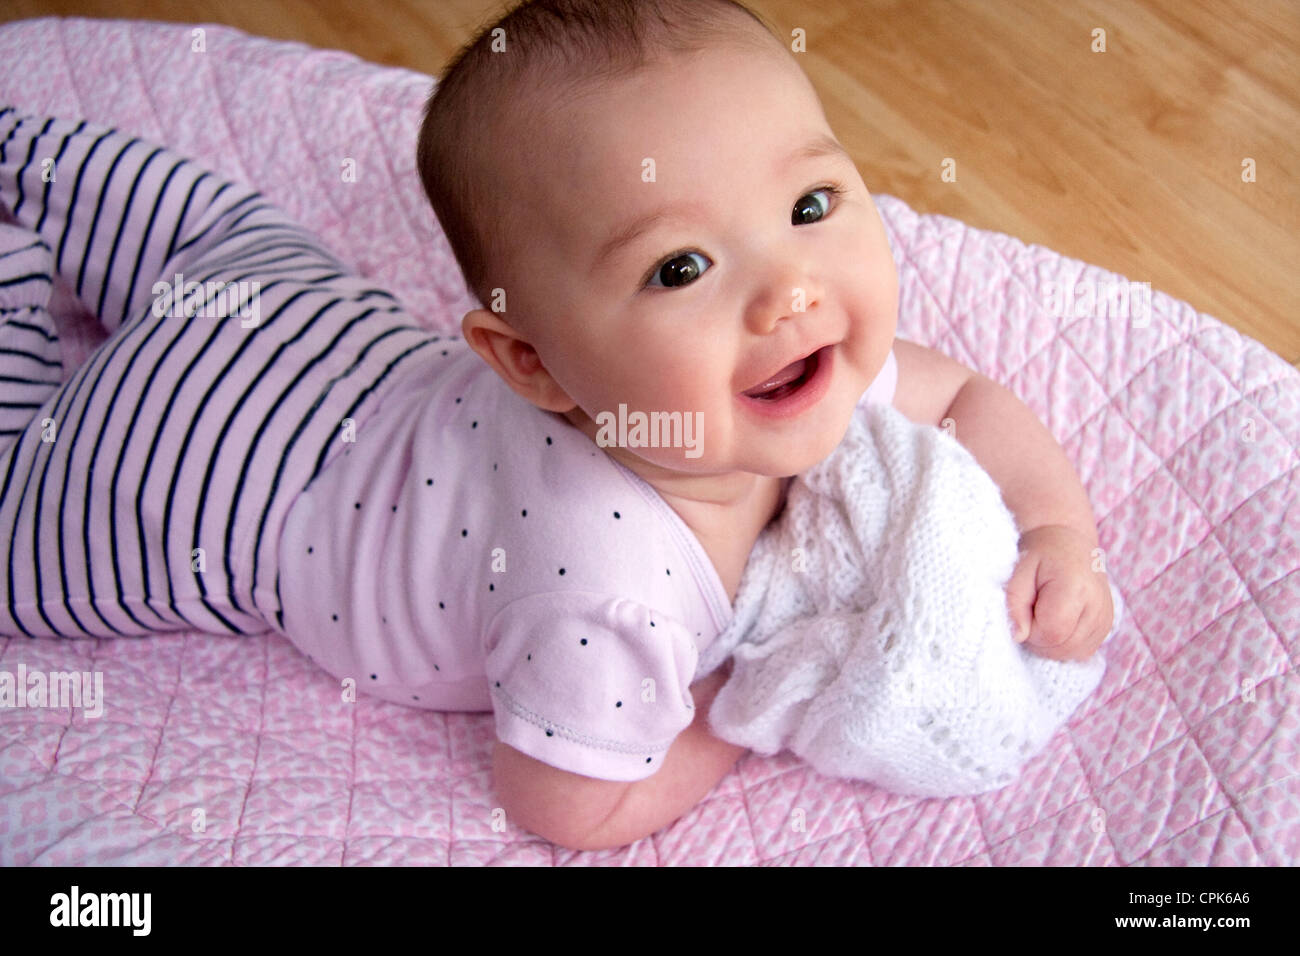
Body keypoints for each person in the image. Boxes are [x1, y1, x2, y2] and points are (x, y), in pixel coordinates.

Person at [0, 0, 1111, 852]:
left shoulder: (790, 365)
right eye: (681, 267)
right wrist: (736, 700)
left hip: (302, 321)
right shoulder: (608, 588)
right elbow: (566, 801)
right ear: (531, 361)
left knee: (211, 226)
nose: (790, 292)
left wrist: (1057, 531)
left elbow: (965, 401)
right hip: (220, 481)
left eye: (809, 206)